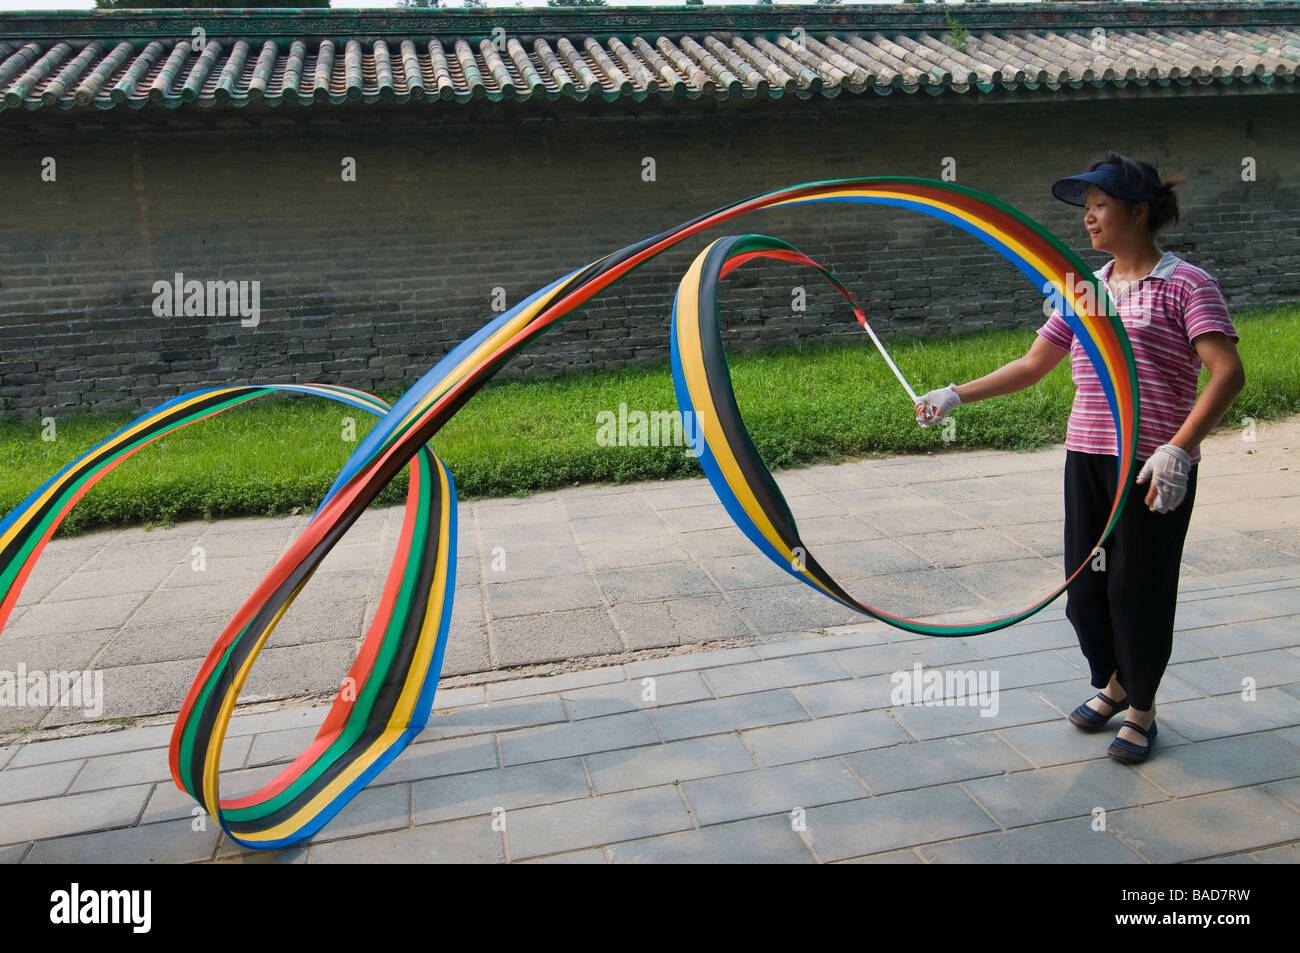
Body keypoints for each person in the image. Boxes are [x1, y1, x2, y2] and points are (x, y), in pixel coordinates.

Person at [913, 152, 1245, 763]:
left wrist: (1180, 448)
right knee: (1085, 593)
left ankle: (1141, 708)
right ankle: (1115, 683)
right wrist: (956, 393)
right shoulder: (1083, 288)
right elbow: (1034, 365)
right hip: (1088, 457)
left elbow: (1228, 374)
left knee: (1136, 589)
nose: (1088, 218)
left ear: (1138, 211)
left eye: (1100, 206)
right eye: (1086, 208)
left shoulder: (1186, 284)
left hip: (1152, 467)